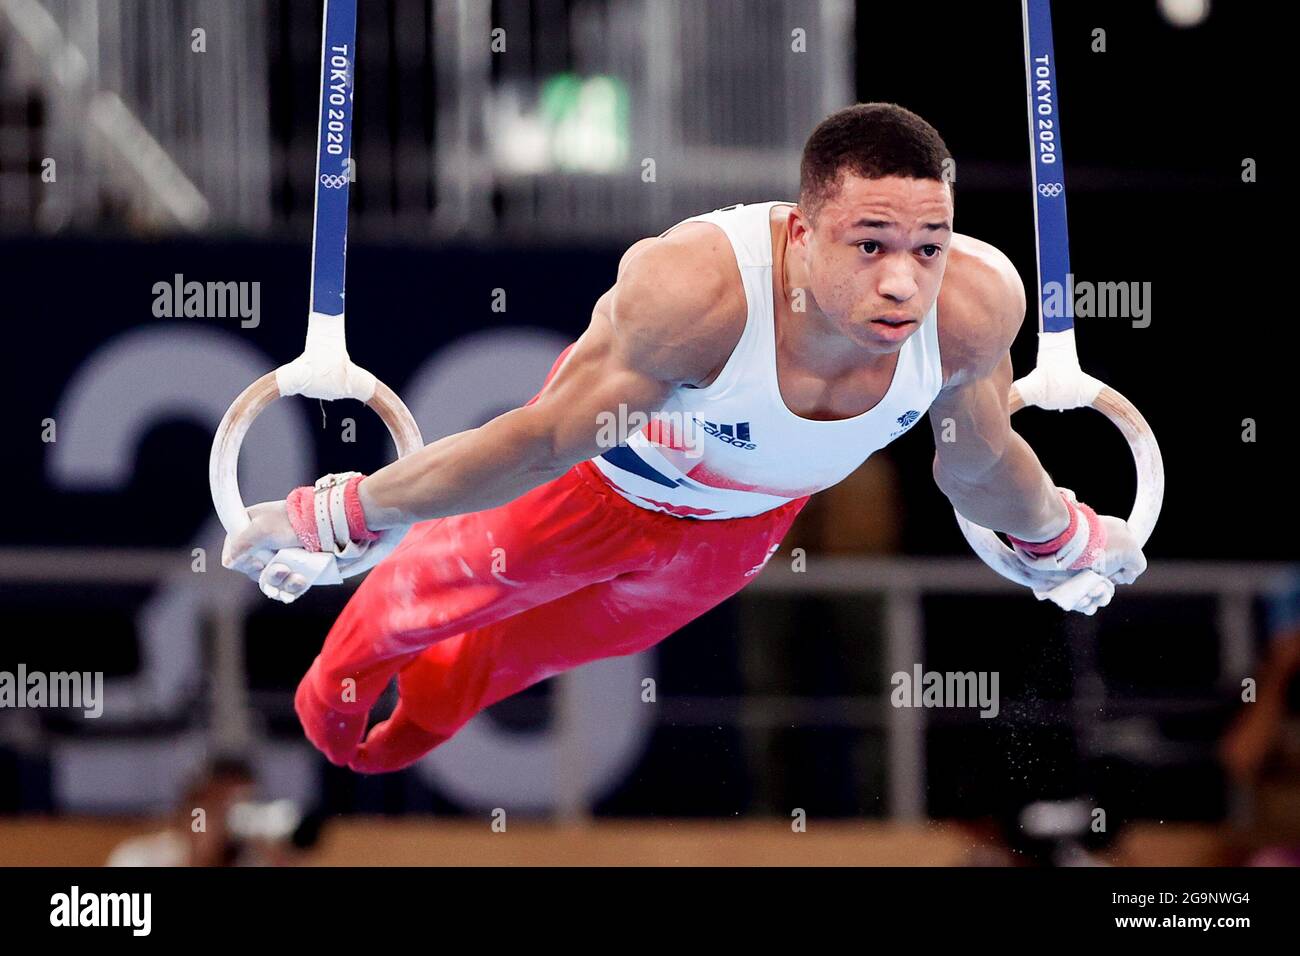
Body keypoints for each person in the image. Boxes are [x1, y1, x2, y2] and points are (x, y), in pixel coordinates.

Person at [222, 102, 1146, 774]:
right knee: (435, 598)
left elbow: (979, 466)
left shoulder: (974, 308)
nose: (906, 282)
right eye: (871, 245)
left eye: (929, 247)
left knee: (544, 648)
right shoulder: (697, 295)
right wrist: (346, 512)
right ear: (802, 231)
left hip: (743, 527)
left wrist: (1057, 537)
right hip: (595, 484)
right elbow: (544, 441)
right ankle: (332, 688)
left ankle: (435, 698)